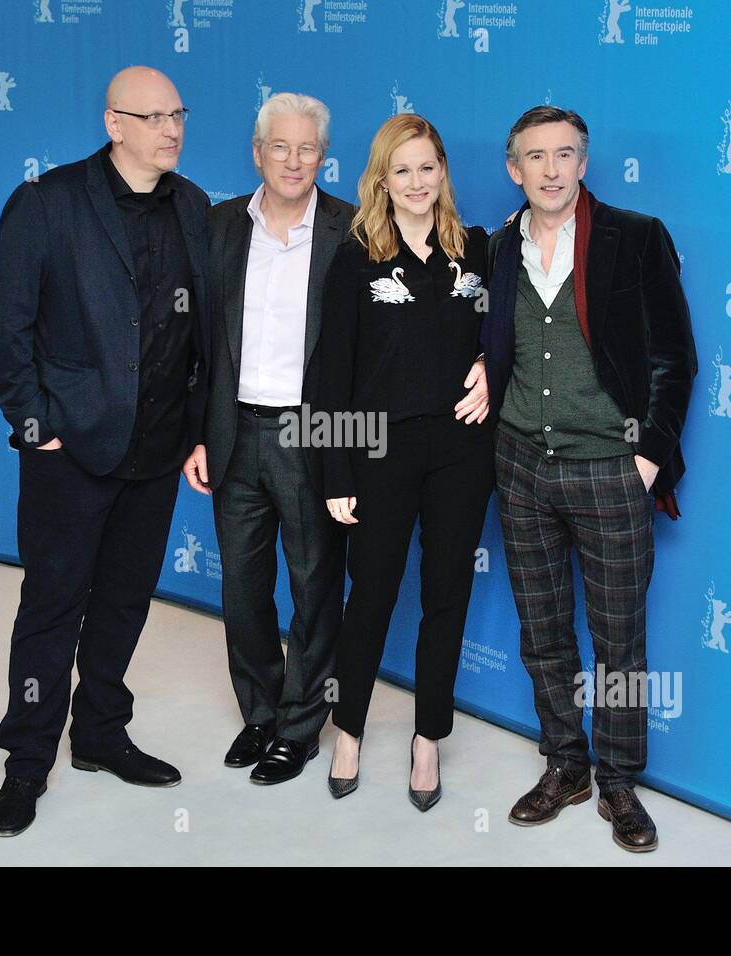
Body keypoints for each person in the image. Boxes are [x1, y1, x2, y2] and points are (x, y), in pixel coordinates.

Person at [0, 66, 210, 837]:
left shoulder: (194, 206)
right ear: (114, 124)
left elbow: (200, 334)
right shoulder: (48, 203)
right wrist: (33, 423)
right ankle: (27, 761)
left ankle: (101, 734)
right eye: (153, 117)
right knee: (52, 607)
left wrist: (200, 428)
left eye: (178, 114)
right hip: (70, 452)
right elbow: (4, 323)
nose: (172, 129)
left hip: (155, 452)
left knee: (123, 601)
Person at [482, 106, 696, 850]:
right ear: (514, 168)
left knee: (619, 643)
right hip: (519, 465)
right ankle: (565, 766)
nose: (550, 169)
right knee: (543, 635)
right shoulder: (498, 246)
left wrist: (647, 457)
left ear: (583, 161)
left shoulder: (635, 238)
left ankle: (619, 783)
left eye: (564, 154)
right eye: (535, 156)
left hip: (611, 469)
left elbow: (675, 358)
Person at [318, 114, 492, 811]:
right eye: (403, 170)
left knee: (447, 596)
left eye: (428, 167)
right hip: (378, 451)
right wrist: (334, 472)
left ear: (443, 171)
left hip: (460, 452)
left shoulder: (477, 249)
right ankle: (351, 729)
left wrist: (489, 363)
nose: (417, 182)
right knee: (373, 598)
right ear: (380, 179)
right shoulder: (355, 256)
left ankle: (428, 739)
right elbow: (332, 373)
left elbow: (507, 334)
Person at [184, 93, 354, 785]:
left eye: (306, 148)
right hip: (235, 431)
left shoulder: (354, 227)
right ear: (257, 153)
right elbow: (198, 341)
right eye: (279, 147)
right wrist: (197, 433)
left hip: (313, 434)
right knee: (243, 587)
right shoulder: (220, 225)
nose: (292, 160)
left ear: (323, 154)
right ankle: (259, 714)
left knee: (315, 588)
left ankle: (300, 725)